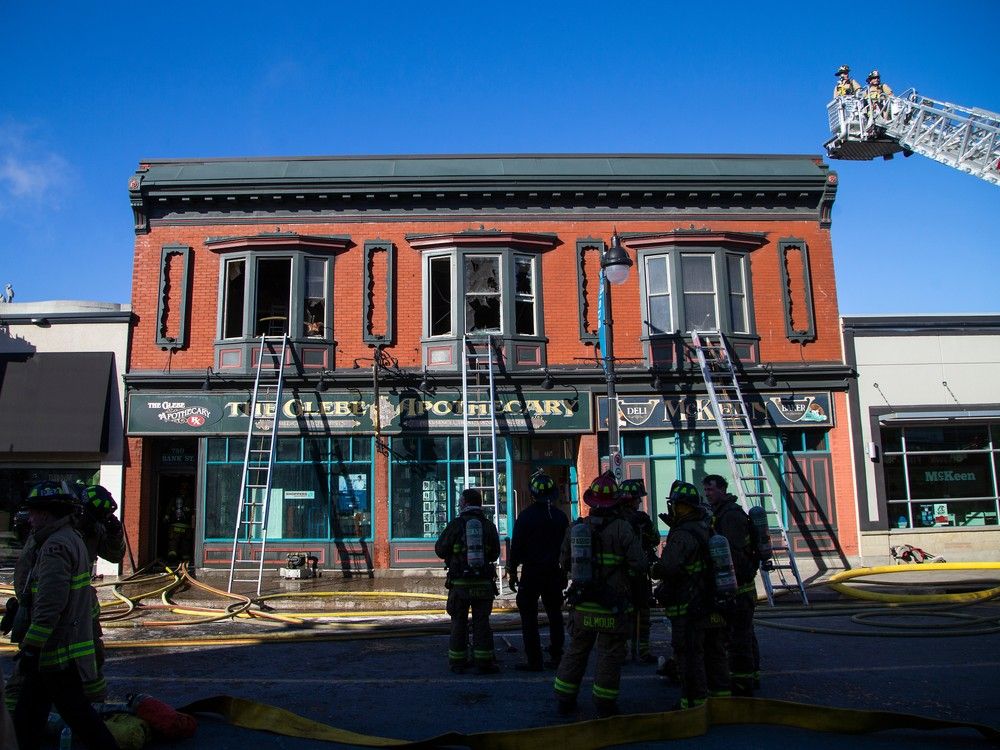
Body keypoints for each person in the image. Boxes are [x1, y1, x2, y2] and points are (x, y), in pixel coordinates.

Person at [10, 481, 120, 750]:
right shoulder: (69, 537)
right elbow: (30, 582)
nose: (30, 518)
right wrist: (20, 606)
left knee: (76, 713)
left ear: (47, 513)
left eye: (34, 512)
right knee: (31, 713)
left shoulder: (55, 546)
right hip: (61, 643)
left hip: (54, 647)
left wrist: (31, 647)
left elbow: (50, 603)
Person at [553, 472, 646, 718]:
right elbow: (639, 565)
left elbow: (564, 562)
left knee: (576, 650)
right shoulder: (623, 529)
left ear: (591, 501)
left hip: (583, 603)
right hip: (612, 606)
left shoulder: (577, 528)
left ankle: (564, 699)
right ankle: (605, 705)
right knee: (610, 654)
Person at [651, 480, 730, 710]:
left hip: (689, 607)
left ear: (678, 505)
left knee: (690, 655)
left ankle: (693, 704)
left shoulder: (682, 534)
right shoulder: (707, 527)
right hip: (712, 602)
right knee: (715, 654)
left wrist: (654, 568)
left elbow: (670, 567)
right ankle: (722, 701)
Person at [703, 475, 761, 696]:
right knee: (744, 633)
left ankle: (743, 683)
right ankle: (751, 676)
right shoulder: (720, 513)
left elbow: (734, 554)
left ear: (722, 490)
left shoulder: (731, 516)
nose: (707, 493)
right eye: (706, 490)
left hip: (739, 587)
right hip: (735, 586)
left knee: (739, 637)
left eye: (710, 489)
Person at [505, 471, 569, 672]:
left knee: (529, 617)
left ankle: (534, 660)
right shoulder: (560, 517)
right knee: (555, 615)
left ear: (532, 494)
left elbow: (516, 547)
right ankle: (557, 656)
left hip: (532, 573)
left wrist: (512, 571)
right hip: (554, 572)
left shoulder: (526, 516)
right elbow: (566, 548)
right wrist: (565, 573)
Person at [434, 488, 501, 675]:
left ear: (464, 503)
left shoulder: (456, 525)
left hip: (460, 584)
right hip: (483, 584)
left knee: (458, 622)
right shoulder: (488, 526)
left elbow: (440, 549)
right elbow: (495, 553)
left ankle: (457, 662)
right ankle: (484, 661)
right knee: (482, 622)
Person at [616, 478, 659, 664]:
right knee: (642, 612)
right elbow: (655, 539)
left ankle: (623, 650)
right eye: (638, 499)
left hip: (619, 576)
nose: (640, 502)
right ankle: (642, 651)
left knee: (624, 613)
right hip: (639, 575)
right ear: (631, 500)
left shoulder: (614, 519)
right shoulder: (641, 520)